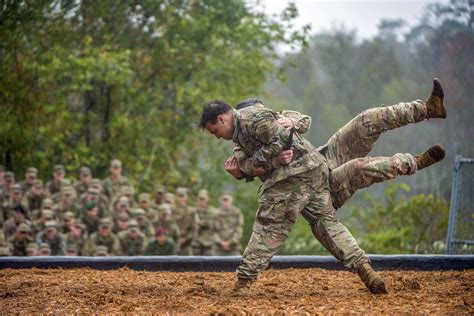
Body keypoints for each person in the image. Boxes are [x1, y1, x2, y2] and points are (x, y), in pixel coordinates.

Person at [200, 101, 381, 295]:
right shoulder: (239, 138)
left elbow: (282, 139)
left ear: (222, 119)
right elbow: (246, 165)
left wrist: (265, 161)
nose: (217, 137)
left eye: (215, 131)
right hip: (313, 172)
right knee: (327, 225)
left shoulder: (252, 118)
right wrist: (245, 169)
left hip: (292, 177)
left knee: (267, 229)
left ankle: (242, 286)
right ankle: (367, 272)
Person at [232, 79, 447, 210]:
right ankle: (414, 163)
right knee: (360, 167)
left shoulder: (276, 118)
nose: (266, 115)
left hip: (325, 156)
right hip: (320, 187)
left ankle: (427, 109)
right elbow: (249, 169)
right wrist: (256, 166)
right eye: (260, 112)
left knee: (367, 119)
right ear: (249, 118)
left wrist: (292, 121)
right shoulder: (242, 146)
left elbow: (305, 120)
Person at [192, 189, 219, 256]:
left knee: (209, 264)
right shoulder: (193, 211)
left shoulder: (213, 212)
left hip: (208, 244)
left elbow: (212, 224)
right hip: (196, 244)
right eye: (200, 199)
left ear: (207, 199)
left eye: (203, 199)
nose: (201, 201)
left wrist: (199, 222)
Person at [173, 187, 198, 255]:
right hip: (172, 244)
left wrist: (186, 239)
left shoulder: (191, 211)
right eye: (179, 196)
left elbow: (194, 229)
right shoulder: (170, 210)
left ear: (186, 197)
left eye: (182, 196)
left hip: (186, 245)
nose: (181, 198)